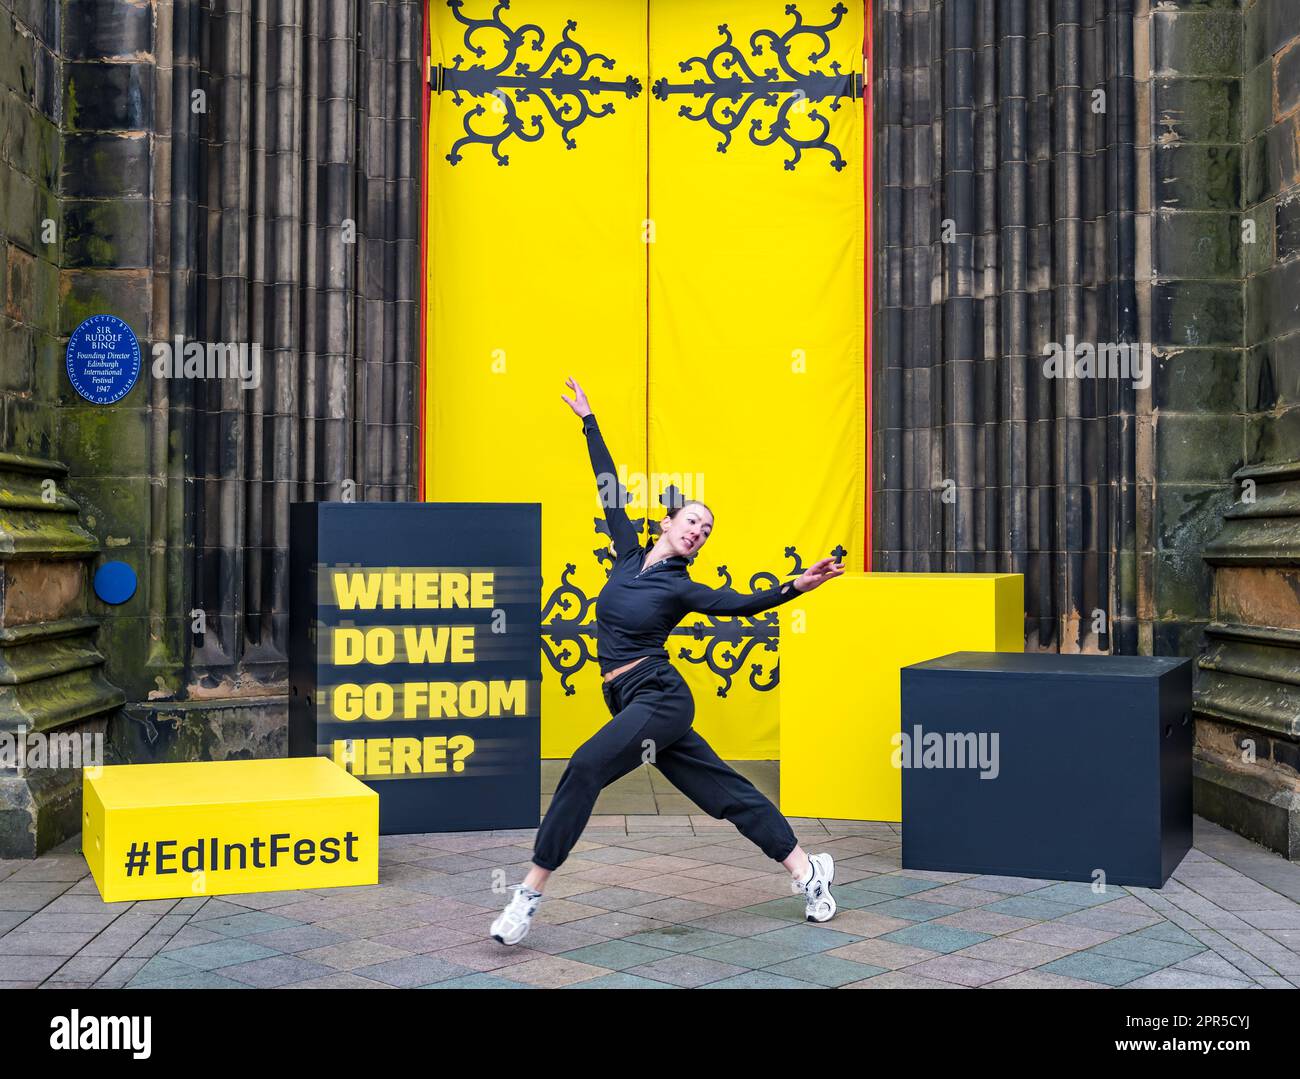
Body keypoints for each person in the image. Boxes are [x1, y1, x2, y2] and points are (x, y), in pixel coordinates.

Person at [490, 377, 846, 945]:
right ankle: (808, 871)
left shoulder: (683, 588)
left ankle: (528, 893)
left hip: (660, 696)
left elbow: (741, 603)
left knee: (584, 767)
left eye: (706, 531)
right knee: (723, 793)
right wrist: (589, 420)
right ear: (667, 523)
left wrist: (798, 585)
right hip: (631, 699)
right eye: (692, 522)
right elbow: (607, 485)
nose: (699, 531)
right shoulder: (627, 555)